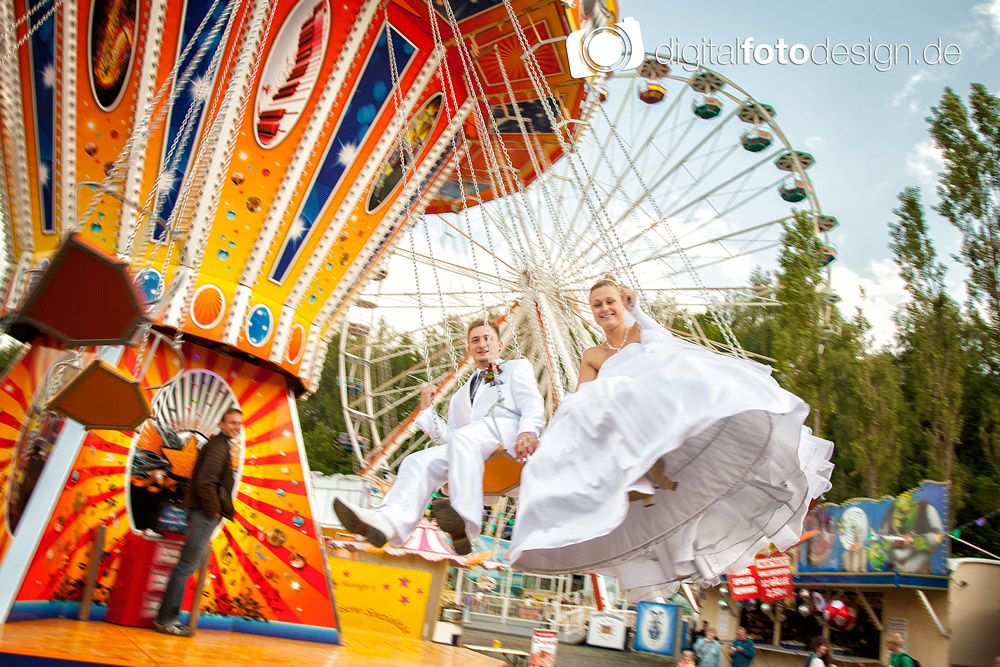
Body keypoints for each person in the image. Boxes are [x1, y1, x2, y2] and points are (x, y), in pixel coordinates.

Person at [508, 278, 834, 600]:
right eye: (597, 305)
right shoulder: (593, 355)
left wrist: (639, 309)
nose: (605, 308)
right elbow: (578, 403)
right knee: (646, 509)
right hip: (624, 439)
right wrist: (549, 440)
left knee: (690, 490)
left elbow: (665, 350)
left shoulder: (643, 335)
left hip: (655, 421)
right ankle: (672, 556)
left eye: (611, 301)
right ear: (591, 312)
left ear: (622, 304)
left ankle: (703, 545)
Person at [334, 318, 545, 555]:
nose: (482, 343)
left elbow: (532, 401)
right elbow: (452, 437)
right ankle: (388, 522)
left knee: (467, 439)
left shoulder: (516, 367)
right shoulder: (459, 396)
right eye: (475, 340)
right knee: (416, 462)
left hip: (508, 436)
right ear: (469, 347)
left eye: (488, 338)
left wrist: (529, 430)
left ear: (500, 345)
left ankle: (465, 520)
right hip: (474, 447)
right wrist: (427, 410)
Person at [153, 407, 242, 636]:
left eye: (238, 424)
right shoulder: (218, 447)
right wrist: (213, 512)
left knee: (186, 566)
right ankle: (167, 620)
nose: (236, 427)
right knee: (185, 567)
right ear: (221, 424)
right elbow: (204, 481)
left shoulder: (220, 445)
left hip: (202, 513)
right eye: (231, 422)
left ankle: (167, 618)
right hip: (204, 514)